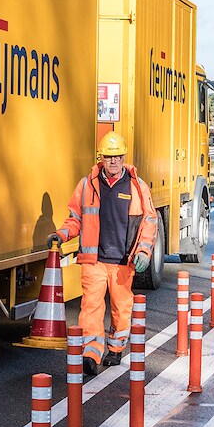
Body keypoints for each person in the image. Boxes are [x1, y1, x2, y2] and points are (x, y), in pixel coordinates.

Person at [51, 131, 158, 376]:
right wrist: (62, 235)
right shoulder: (87, 185)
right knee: (91, 306)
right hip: (95, 260)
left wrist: (143, 251)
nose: (114, 162)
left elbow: (149, 222)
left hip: (123, 261)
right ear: (101, 158)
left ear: (124, 158)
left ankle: (116, 348)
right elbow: (75, 218)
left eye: (118, 157)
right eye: (109, 157)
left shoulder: (137, 187)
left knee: (121, 308)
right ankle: (90, 353)